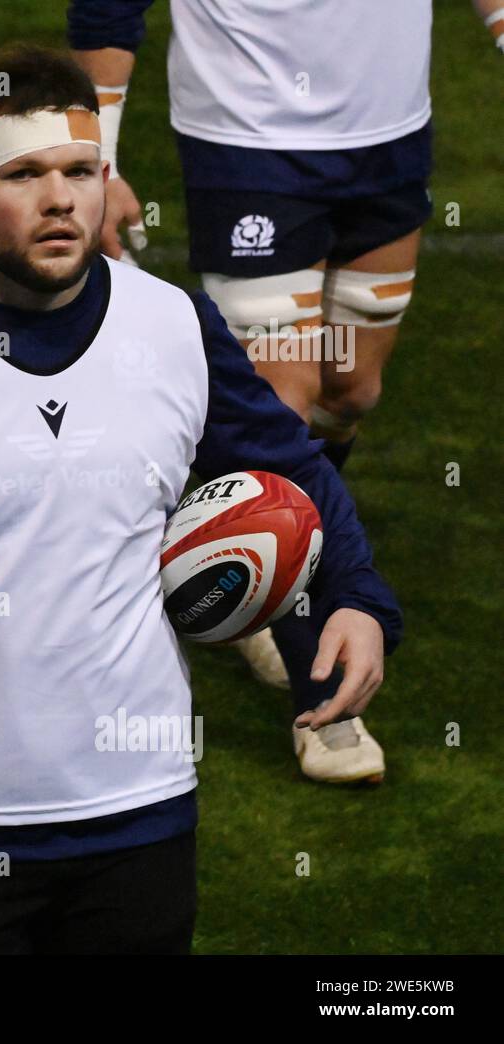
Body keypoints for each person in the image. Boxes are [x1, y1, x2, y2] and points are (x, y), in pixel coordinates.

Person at [0, 43, 400, 955]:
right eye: (23, 173)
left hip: (140, 817)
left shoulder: (171, 324)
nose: (60, 198)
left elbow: (292, 464)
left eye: (80, 171)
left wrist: (356, 598)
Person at [65, 0, 498, 780]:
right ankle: (321, 692)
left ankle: (243, 556)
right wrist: (99, 152)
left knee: (351, 390)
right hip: (249, 137)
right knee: (281, 407)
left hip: (390, 133)